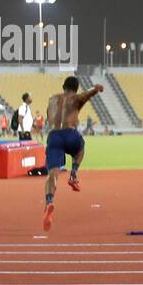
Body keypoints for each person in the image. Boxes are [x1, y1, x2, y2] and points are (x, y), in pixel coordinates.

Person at [41, 77, 104, 231]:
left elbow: (49, 117)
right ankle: (74, 173)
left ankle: (49, 201)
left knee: (52, 174)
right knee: (81, 146)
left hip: (54, 136)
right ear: (75, 88)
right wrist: (95, 89)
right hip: (70, 134)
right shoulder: (75, 97)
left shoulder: (52, 100)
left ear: (63, 86)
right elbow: (84, 96)